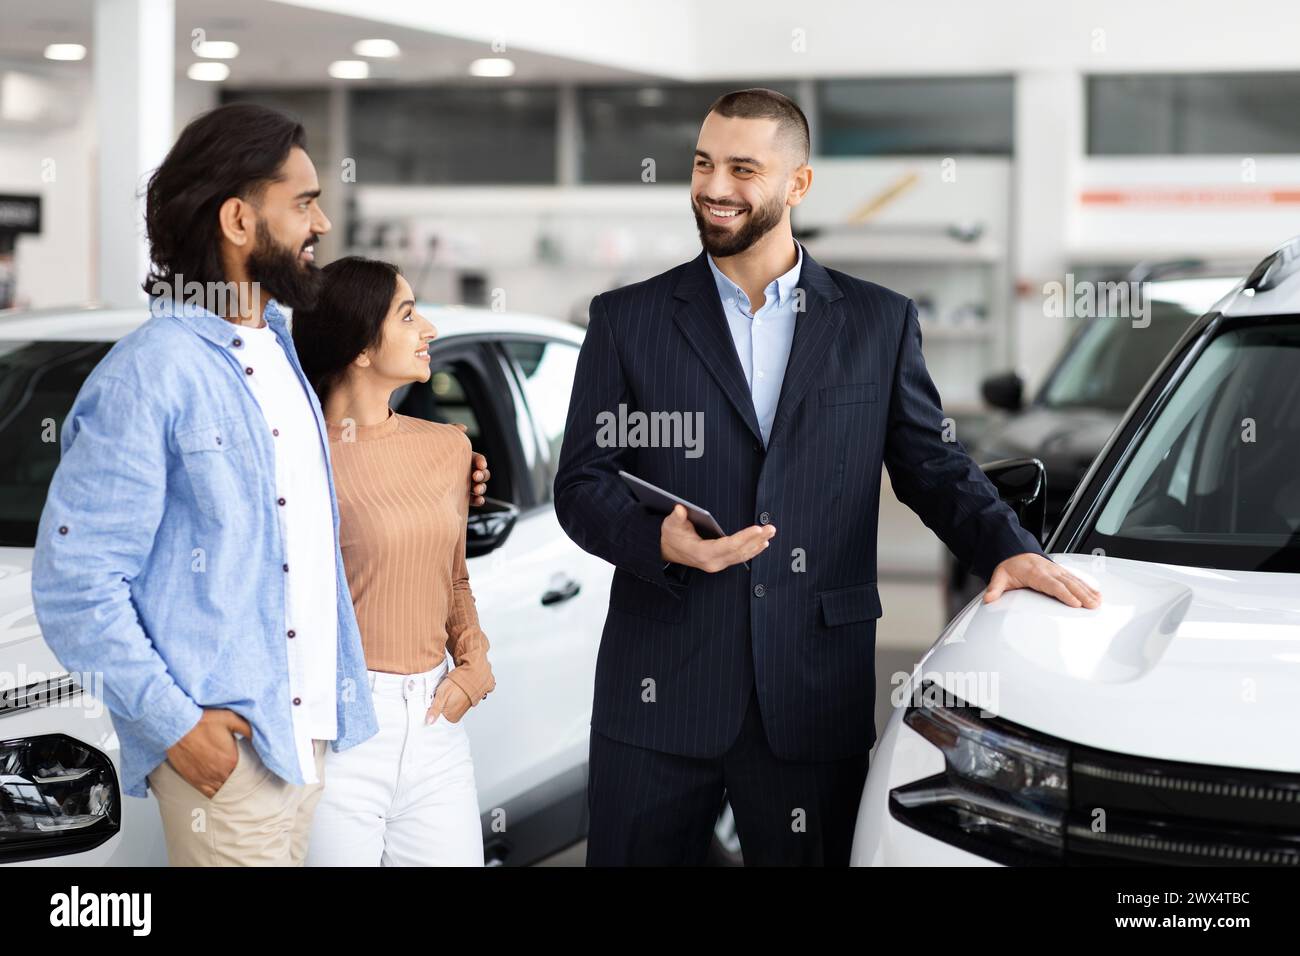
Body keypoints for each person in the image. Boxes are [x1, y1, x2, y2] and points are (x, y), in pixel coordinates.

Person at [553, 88, 1102, 866]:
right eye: (704, 163)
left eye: (743, 168)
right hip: (659, 696)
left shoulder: (878, 322)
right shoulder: (626, 319)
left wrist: (1006, 545)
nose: (714, 187)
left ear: (797, 185)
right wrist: (661, 541)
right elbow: (580, 485)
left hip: (811, 690)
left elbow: (931, 464)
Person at [29, 104, 486, 866]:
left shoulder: (277, 353)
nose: (324, 224)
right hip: (231, 764)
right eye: (303, 203)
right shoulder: (151, 374)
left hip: (307, 744)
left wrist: (449, 474)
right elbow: (76, 584)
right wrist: (176, 725)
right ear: (239, 220)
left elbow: (316, 511)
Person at [292, 257, 495, 866]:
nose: (428, 328)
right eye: (408, 315)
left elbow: (453, 577)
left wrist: (475, 660)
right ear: (358, 347)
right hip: (337, 736)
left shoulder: (449, 448)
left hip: (435, 726)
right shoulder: (297, 460)